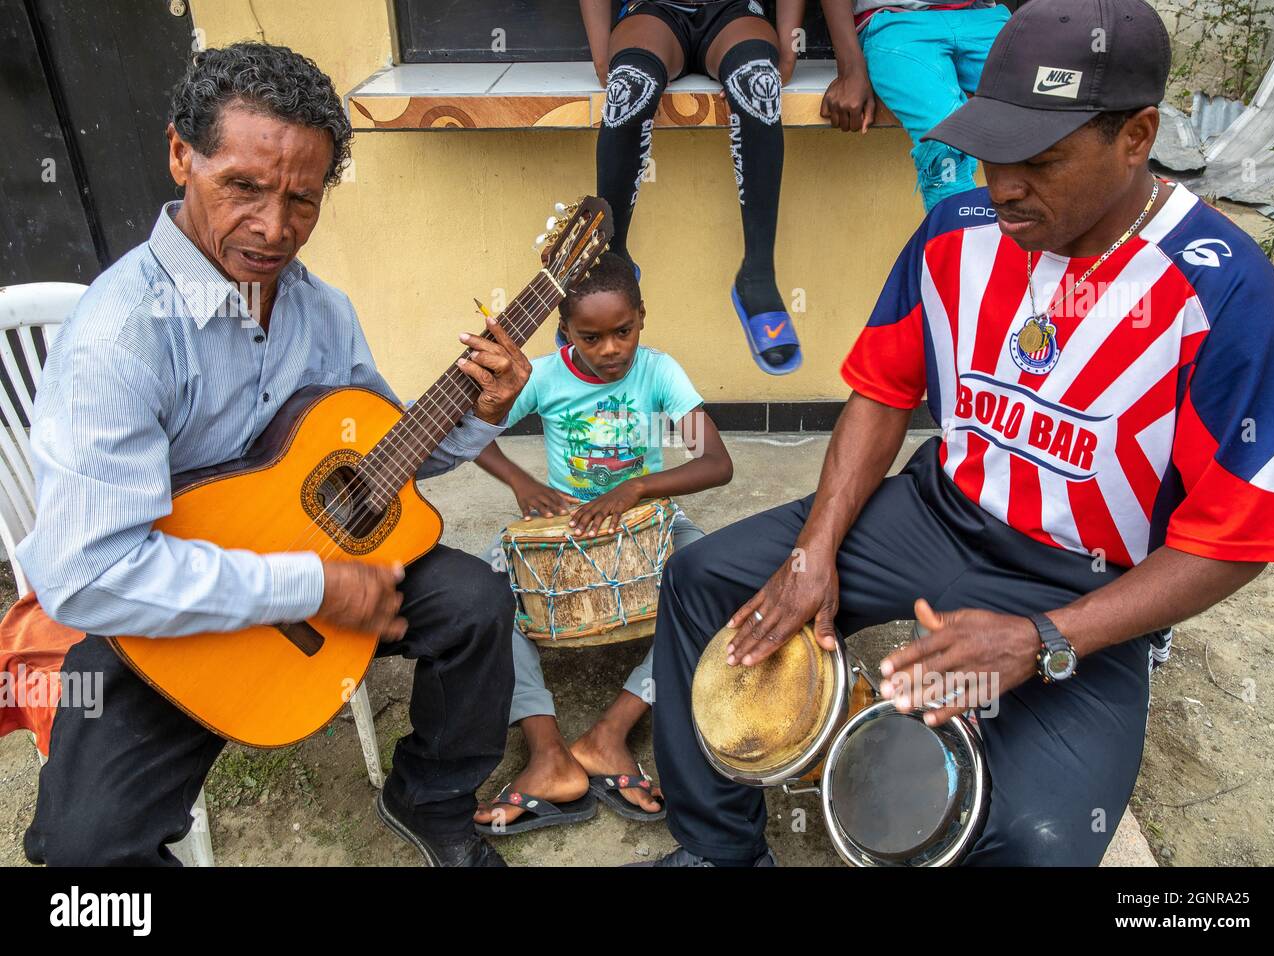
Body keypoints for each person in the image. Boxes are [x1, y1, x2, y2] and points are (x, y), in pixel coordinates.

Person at [640, 0, 1274, 866]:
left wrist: (1044, 640)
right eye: (990, 151)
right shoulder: (956, 233)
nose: (1001, 185)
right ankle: (720, 851)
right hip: (934, 515)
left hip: (1084, 583)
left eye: (1040, 160)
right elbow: (880, 393)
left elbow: (1234, 540)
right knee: (701, 578)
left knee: (1041, 842)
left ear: (1136, 137)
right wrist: (816, 549)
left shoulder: (1224, 289)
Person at [17, 43, 532, 868]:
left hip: (321, 568)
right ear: (181, 153)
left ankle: (432, 800)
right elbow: (90, 575)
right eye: (244, 187)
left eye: (302, 199)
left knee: (476, 604)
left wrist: (482, 411)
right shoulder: (119, 339)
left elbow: (382, 454)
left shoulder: (319, 310)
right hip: (167, 625)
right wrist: (311, 584)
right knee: (85, 855)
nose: (273, 228)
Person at [471, 253, 733, 833]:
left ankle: (610, 733)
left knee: (723, 590)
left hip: (648, 518)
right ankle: (547, 751)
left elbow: (717, 463)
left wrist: (637, 486)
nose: (611, 348)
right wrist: (522, 480)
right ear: (565, 331)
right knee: (484, 594)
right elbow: (470, 430)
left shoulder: (659, 373)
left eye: (623, 331)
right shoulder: (541, 375)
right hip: (565, 523)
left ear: (642, 318)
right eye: (591, 337)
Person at [579, 0, 807, 374]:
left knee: (758, 83)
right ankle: (612, 258)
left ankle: (758, 273)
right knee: (630, 86)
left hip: (736, 13)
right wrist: (602, 55)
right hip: (653, 12)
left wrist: (787, 52)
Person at [819, 0, 1010, 210]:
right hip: (895, 21)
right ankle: (956, 238)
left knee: (1041, 118)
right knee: (944, 140)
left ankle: (1027, 241)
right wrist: (850, 70)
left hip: (982, 17)